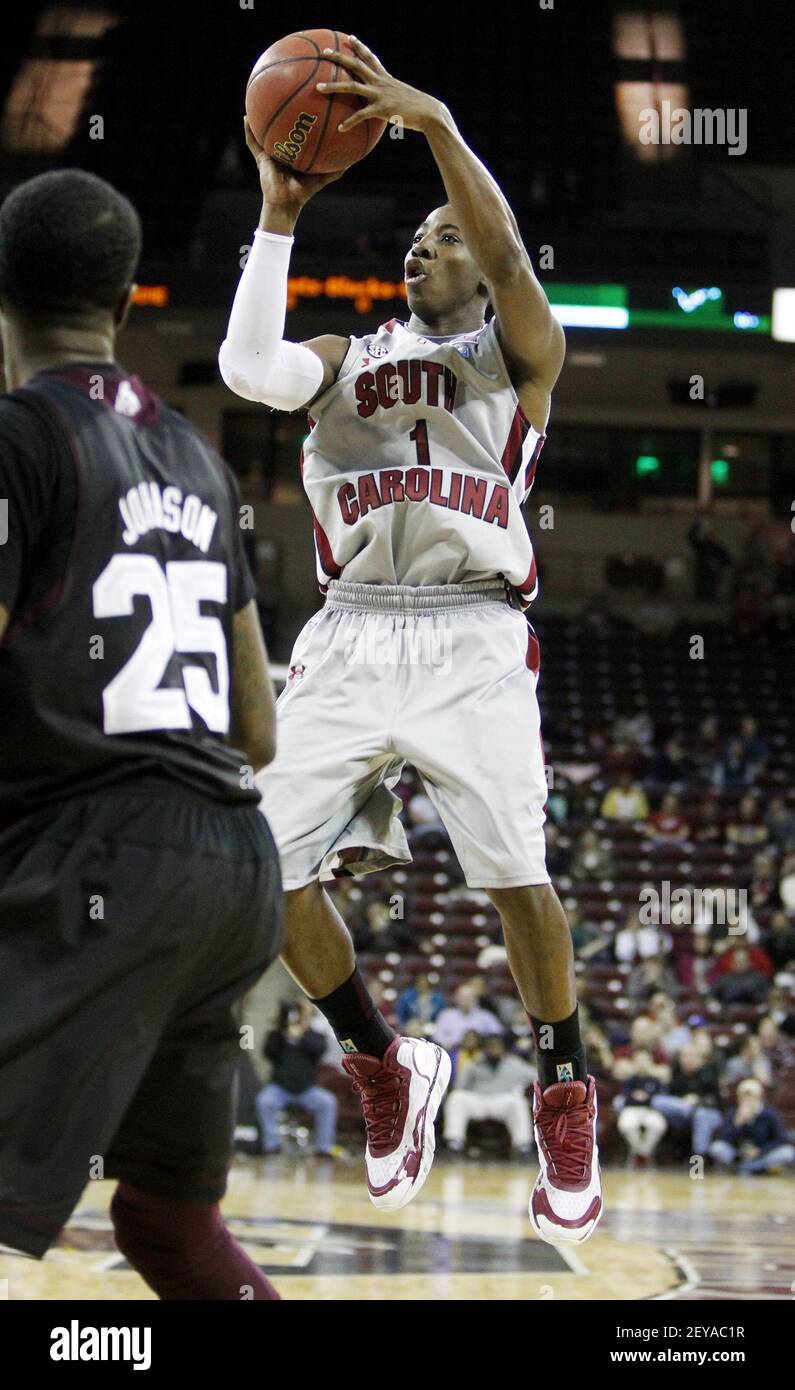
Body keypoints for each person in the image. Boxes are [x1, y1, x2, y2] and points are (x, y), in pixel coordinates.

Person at [218, 36, 600, 1243]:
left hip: (474, 633)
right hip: (348, 633)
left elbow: (502, 257)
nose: (420, 249)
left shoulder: (517, 353)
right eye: (411, 240)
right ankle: (386, 1064)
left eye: (442, 238)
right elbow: (243, 366)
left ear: (480, 267)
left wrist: (434, 124)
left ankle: (562, 1094)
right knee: (255, 869)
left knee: (518, 881)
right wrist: (278, 214)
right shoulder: (348, 359)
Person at [0, 171, 283, 1298]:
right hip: (231, 865)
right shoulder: (202, 463)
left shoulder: (19, 437)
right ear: (123, 302)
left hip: (100, 861)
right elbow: (259, 728)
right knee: (169, 1225)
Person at [256, 1001, 338, 1156]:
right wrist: (281, 1031)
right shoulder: (278, 1035)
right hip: (280, 1088)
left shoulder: (315, 1035)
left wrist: (302, 1034)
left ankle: (323, 1148)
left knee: (327, 1102)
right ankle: (271, 1146)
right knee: (264, 1101)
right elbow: (268, 1052)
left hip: (307, 1089)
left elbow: (319, 1050)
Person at [443, 1034, 536, 1156]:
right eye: (490, 1046)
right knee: (456, 1098)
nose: (493, 1049)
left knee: (518, 1102)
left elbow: (536, 1076)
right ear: (485, 1049)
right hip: (478, 1100)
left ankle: (523, 1146)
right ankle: (454, 1143)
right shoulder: (474, 1063)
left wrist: (522, 1087)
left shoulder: (514, 1063)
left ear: (503, 1048)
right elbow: (459, 1086)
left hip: (502, 1100)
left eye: (496, 1046)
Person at [650, 1042, 723, 1157]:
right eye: (686, 1056)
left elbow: (716, 1101)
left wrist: (698, 1101)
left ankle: (698, 1162)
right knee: (657, 1101)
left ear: (701, 1059)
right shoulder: (675, 1073)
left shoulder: (709, 1073)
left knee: (701, 1115)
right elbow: (666, 1098)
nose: (689, 1060)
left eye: (693, 1056)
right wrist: (684, 1102)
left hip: (707, 1112)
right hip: (681, 1112)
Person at [709, 1079, 795, 1174]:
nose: (747, 1100)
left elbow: (781, 1139)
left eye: (751, 1096)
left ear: (759, 1097)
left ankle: (748, 1168)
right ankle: (753, 1168)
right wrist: (737, 1124)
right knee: (717, 1148)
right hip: (738, 1155)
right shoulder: (732, 1113)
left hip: (761, 1154)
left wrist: (759, 1151)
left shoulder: (770, 1114)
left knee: (788, 1152)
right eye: (744, 1096)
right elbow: (723, 1138)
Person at [613, 1050, 669, 1166]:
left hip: (651, 1111)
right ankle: (642, 1154)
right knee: (626, 1125)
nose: (642, 1063)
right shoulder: (629, 1080)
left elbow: (658, 1099)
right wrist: (640, 1097)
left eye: (645, 1060)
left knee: (657, 1125)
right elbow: (626, 1099)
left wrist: (644, 1097)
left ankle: (642, 1153)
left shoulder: (655, 1080)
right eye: (639, 1060)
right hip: (631, 1110)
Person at [433, 983, 503, 1051]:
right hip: (453, 1051)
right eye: (463, 997)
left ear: (476, 999)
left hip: (479, 1052)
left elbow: (498, 1033)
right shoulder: (446, 1015)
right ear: (456, 998)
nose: (466, 1001)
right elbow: (437, 1036)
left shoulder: (485, 1016)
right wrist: (446, 1042)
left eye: (469, 997)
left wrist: (485, 1042)